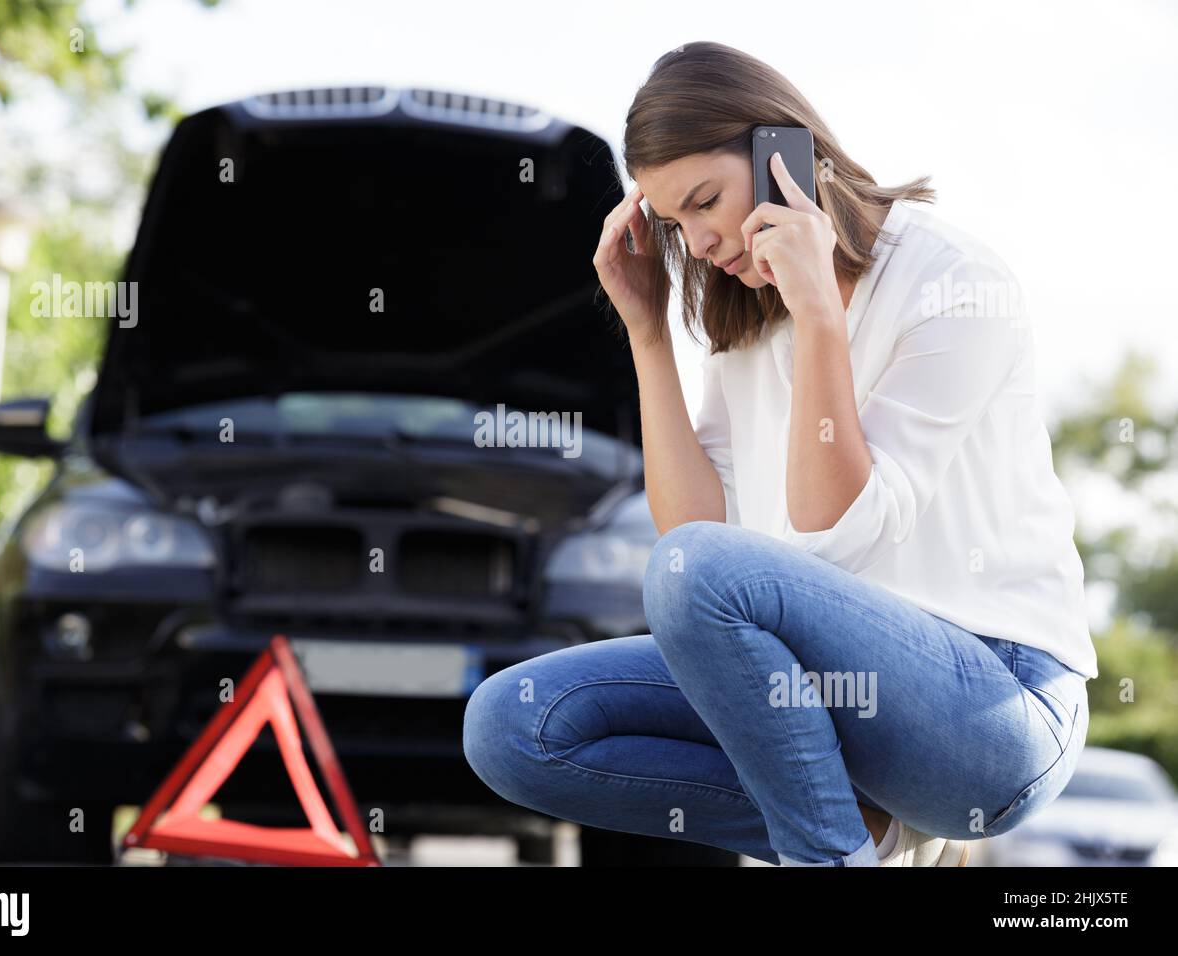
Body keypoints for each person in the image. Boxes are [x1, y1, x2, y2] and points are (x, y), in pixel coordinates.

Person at [462, 41, 1095, 867]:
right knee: (513, 723)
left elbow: (836, 530)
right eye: (674, 224)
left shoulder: (952, 282)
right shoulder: (747, 317)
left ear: (781, 154)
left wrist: (822, 316)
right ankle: (858, 832)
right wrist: (649, 335)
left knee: (702, 571)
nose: (699, 241)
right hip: (823, 700)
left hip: (993, 709)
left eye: (705, 202)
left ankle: (828, 855)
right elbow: (692, 534)